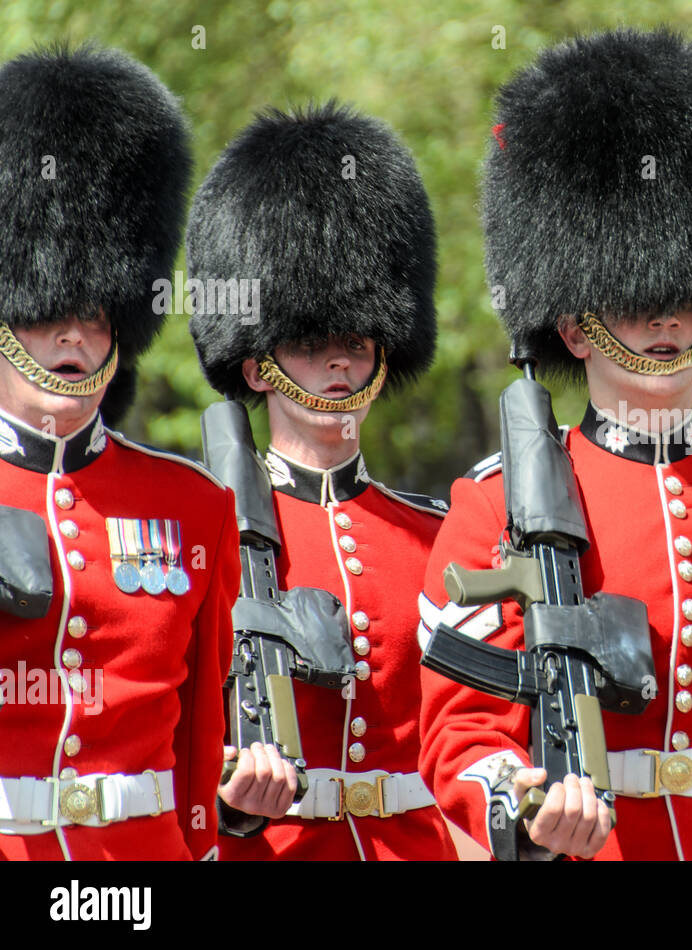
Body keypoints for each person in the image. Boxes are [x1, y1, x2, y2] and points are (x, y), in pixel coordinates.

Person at [417, 27, 692, 861]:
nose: (668, 320)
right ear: (574, 326)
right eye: (636, 299)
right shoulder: (496, 502)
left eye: (683, 293)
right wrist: (519, 802)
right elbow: (460, 729)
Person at [187, 103, 456, 859]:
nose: (339, 365)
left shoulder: (435, 535)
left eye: (355, 343)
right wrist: (226, 794)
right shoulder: (204, 530)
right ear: (256, 366)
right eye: (310, 346)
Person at [0, 45, 239, 860]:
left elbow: (201, 734)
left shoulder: (194, 506)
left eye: (99, 313)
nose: (74, 335)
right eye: (45, 312)